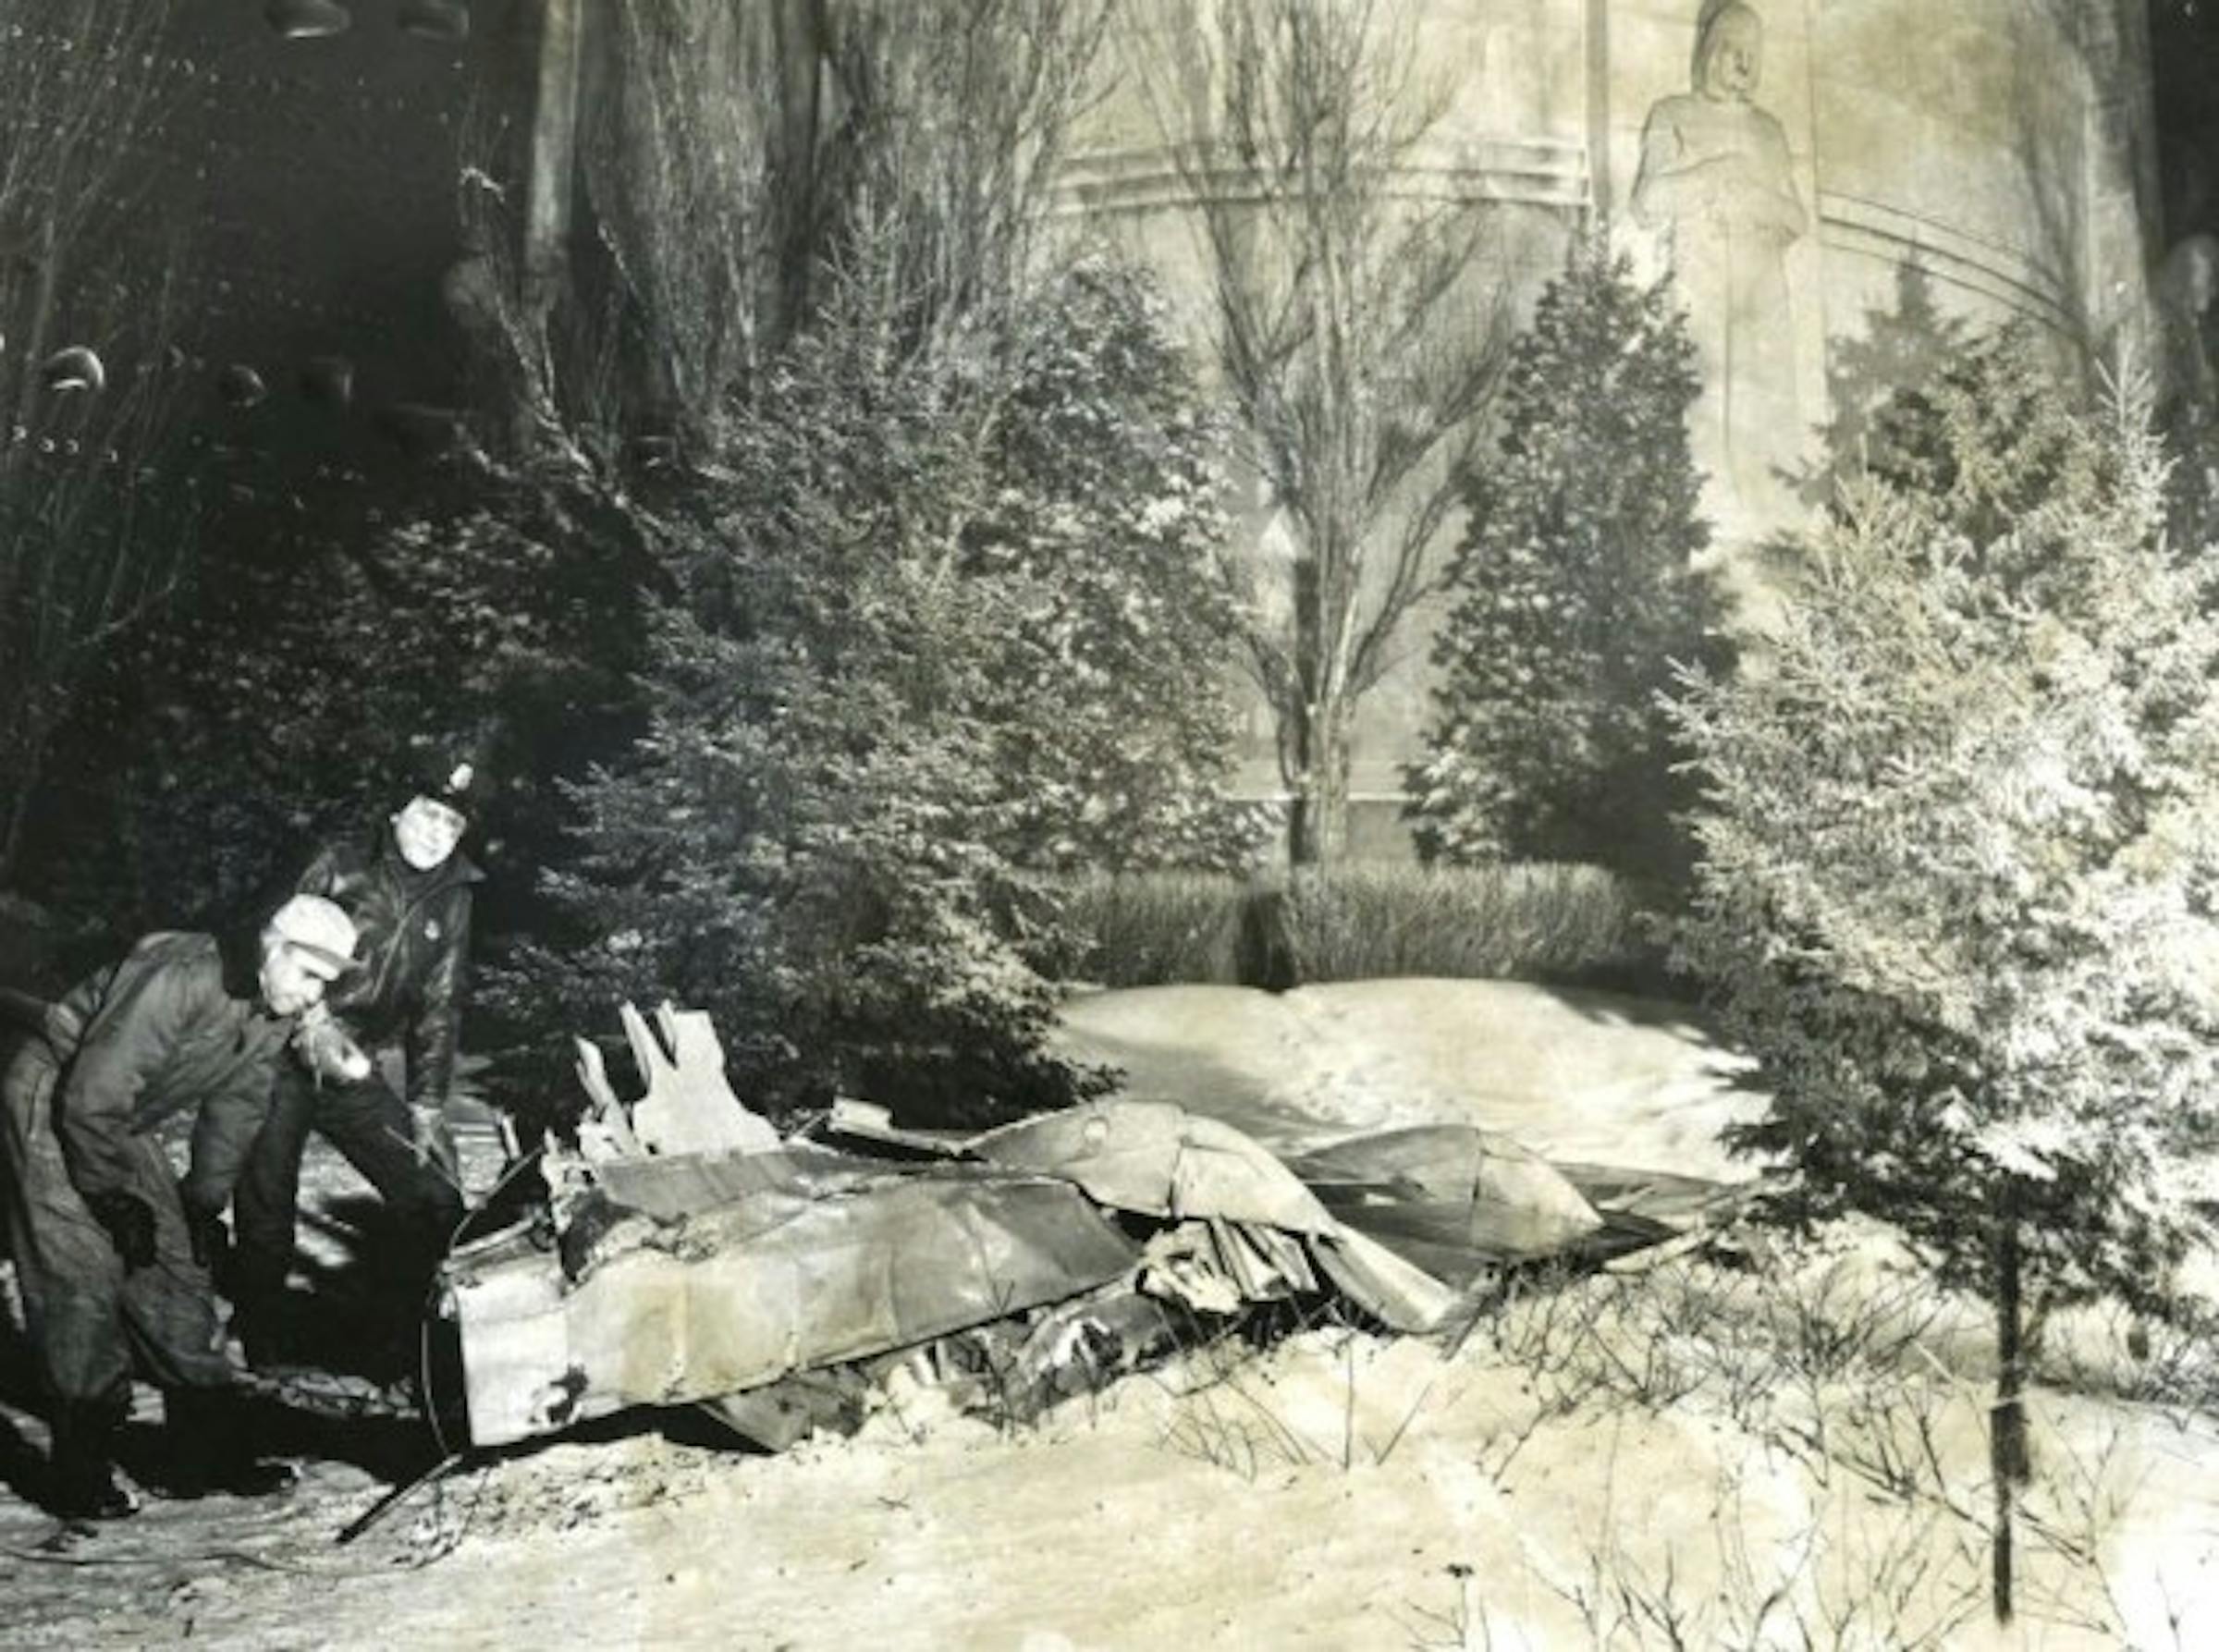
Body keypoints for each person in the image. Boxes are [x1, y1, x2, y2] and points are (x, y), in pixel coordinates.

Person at [0, 894, 361, 1520]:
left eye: (324, 984)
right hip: (56, 1090)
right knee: (82, 1269)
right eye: (307, 975)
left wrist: (200, 1199)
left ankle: (202, 1452)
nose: (312, 997)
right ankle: (79, 1467)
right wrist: (111, 1195)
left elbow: (238, 1103)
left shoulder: (272, 1009)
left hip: (118, 1113)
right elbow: (92, 1093)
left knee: (174, 1263)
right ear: (271, 948)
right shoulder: (182, 975)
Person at [216, 757, 484, 1359]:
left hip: (353, 1064)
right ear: (398, 811)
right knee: (266, 1207)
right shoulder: (335, 857)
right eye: (427, 813)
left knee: (430, 1193)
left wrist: (428, 1101)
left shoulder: (454, 894)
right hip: (281, 1047)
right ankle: (262, 1341)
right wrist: (306, 1017)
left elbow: (440, 1001)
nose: (435, 831)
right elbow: (263, 932)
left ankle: (410, 1339)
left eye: (451, 823)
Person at [1630, 0, 1808, 527]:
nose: (1745, 66)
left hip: (1760, 282)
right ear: (1711, 52)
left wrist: (1754, 195)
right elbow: (1647, 201)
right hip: (1698, 269)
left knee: (1765, 402)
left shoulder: (1769, 131)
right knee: (1700, 394)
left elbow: (1797, 217)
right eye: (1735, 51)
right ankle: (1702, 514)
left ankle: (1771, 518)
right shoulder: (1672, 113)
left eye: (1754, 56)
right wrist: (1715, 173)